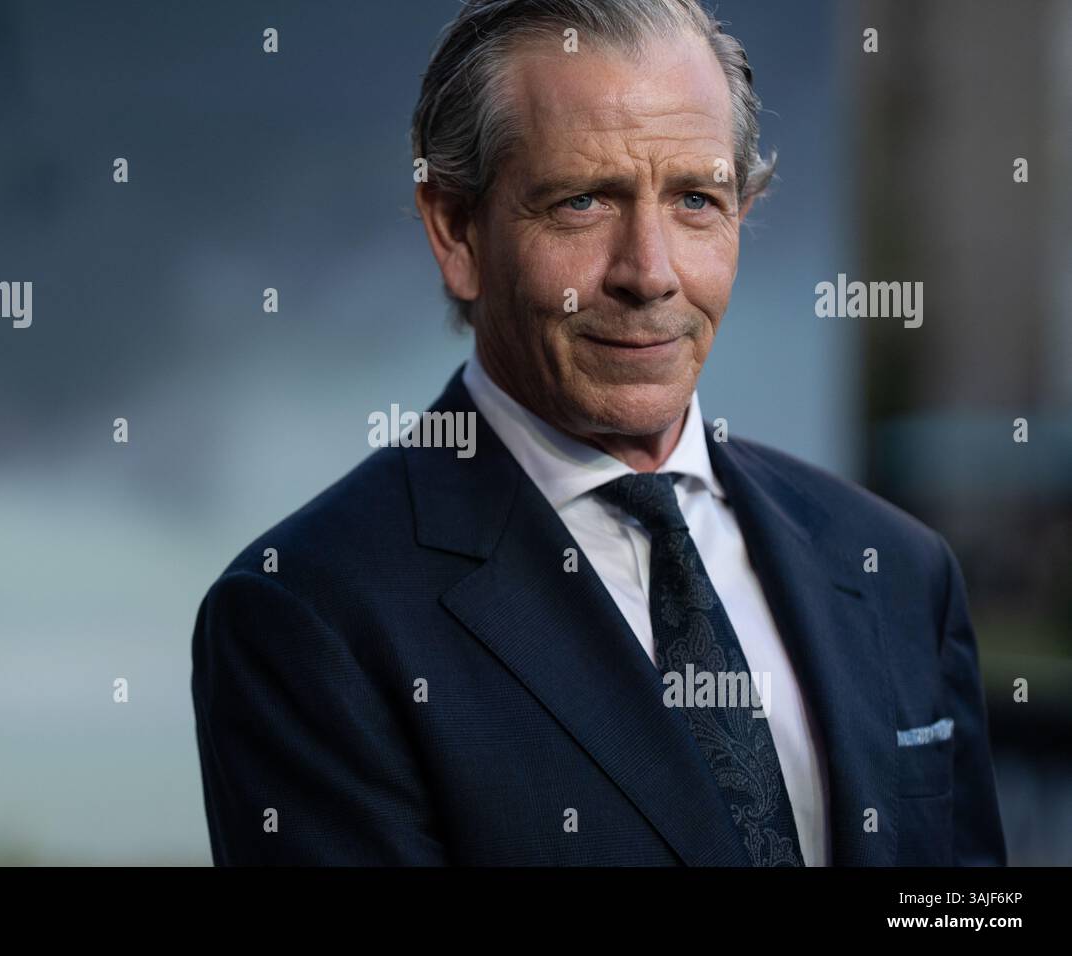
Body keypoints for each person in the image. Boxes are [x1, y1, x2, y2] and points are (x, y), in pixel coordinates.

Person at [192, 0, 1006, 866]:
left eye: (696, 199)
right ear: (456, 230)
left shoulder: (897, 573)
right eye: (582, 202)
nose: (649, 273)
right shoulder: (309, 620)